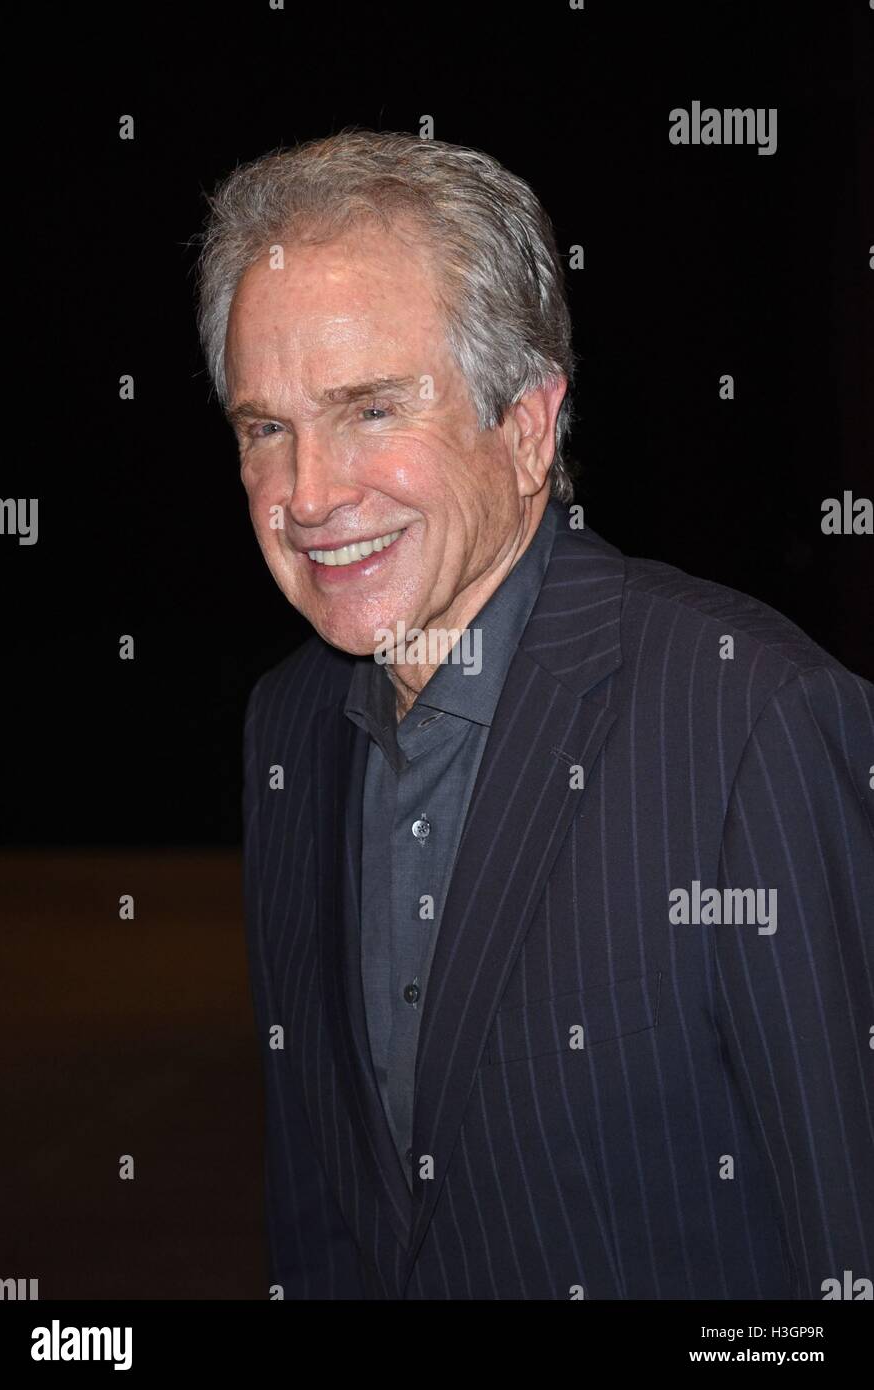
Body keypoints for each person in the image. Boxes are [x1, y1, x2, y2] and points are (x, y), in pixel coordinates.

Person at [195, 128, 874, 1299]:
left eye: (367, 410)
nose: (305, 496)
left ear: (525, 429)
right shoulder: (287, 731)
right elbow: (320, 1215)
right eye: (267, 427)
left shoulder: (751, 721)